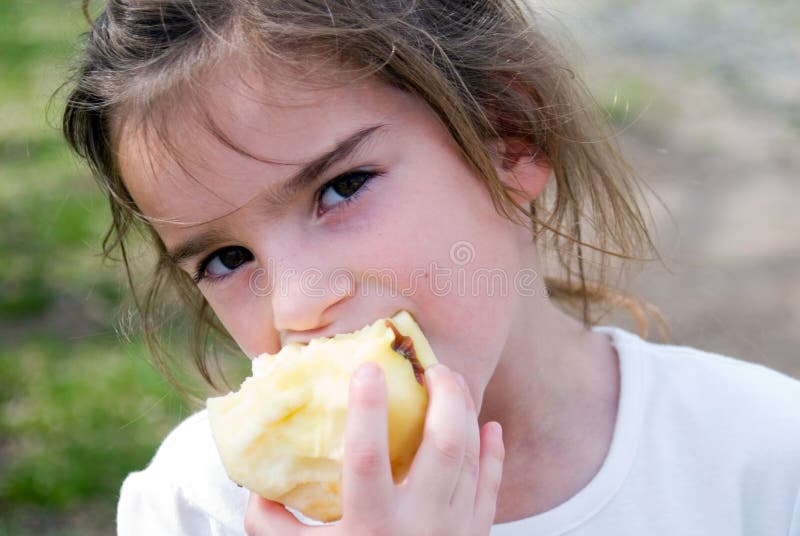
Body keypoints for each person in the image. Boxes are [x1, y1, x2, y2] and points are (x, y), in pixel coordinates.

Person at [62, 1, 800, 534]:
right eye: (227, 259)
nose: (296, 308)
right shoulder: (201, 508)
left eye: (340, 188)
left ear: (510, 134)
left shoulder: (760, 461)